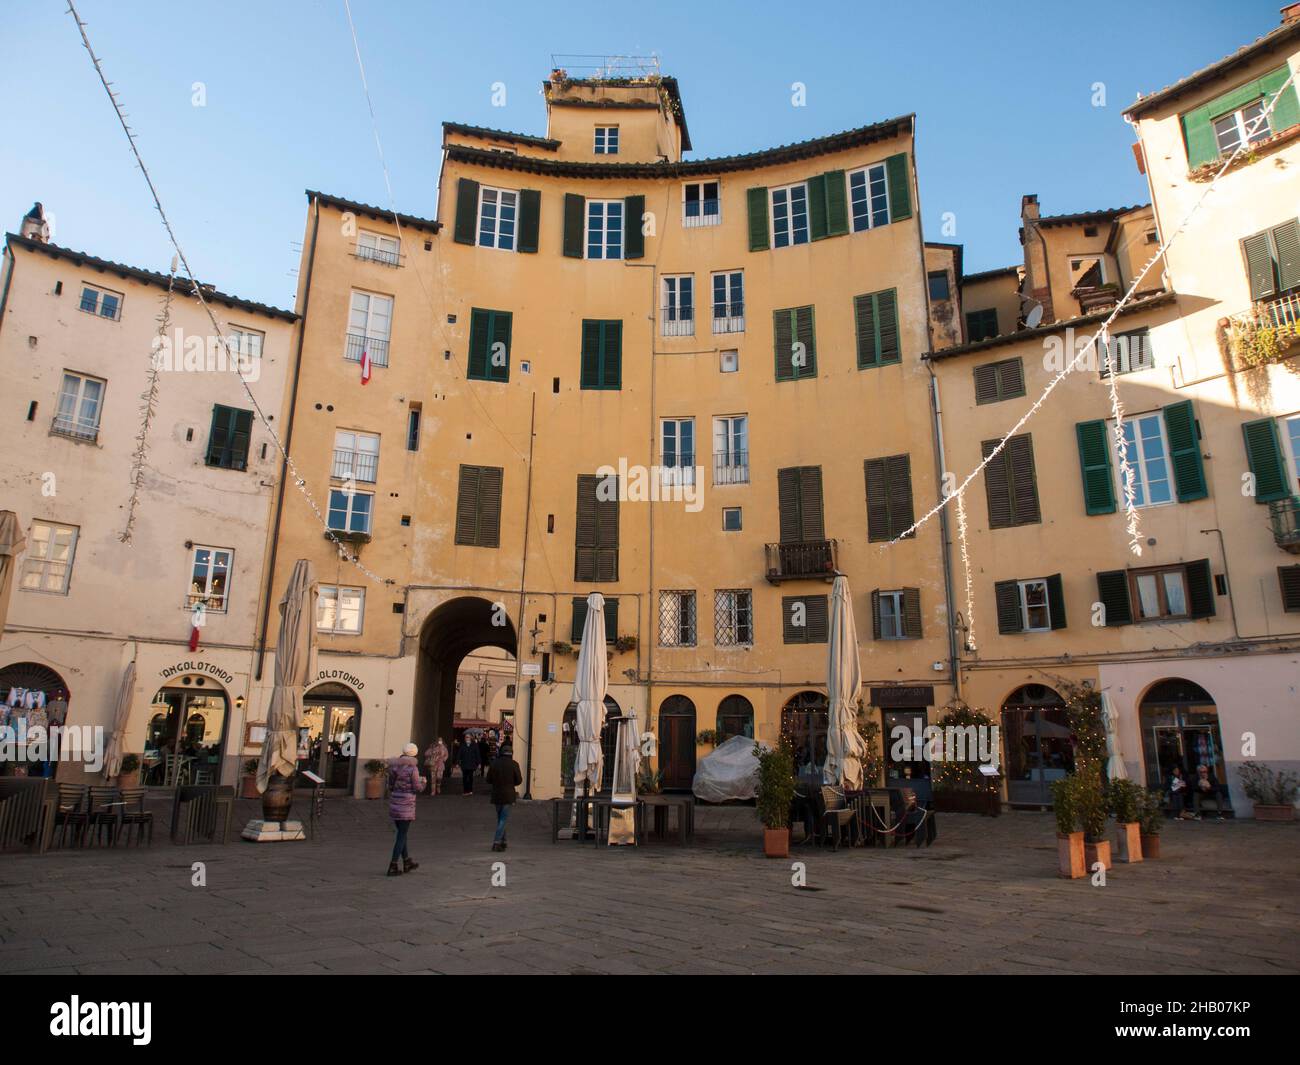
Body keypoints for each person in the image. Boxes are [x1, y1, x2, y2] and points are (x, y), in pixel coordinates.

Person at [385, 743, 425, 876]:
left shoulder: (394, 766)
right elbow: (417, 787)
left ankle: (407, 861)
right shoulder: (412, 768)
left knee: (402, 833)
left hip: (395, 802)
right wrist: (423, 782)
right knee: (401, 835)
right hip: (406, 804)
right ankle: (393, 864)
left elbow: (390, 785)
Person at [487, 743, 523, 851]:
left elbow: (488, 779)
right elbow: (519, 780)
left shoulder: (494, 763)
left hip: (497, 795)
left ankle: (504, 841)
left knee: (500, 818)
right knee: (503, 819)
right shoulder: (514, 764)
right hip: (508, 795)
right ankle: (497, 842)